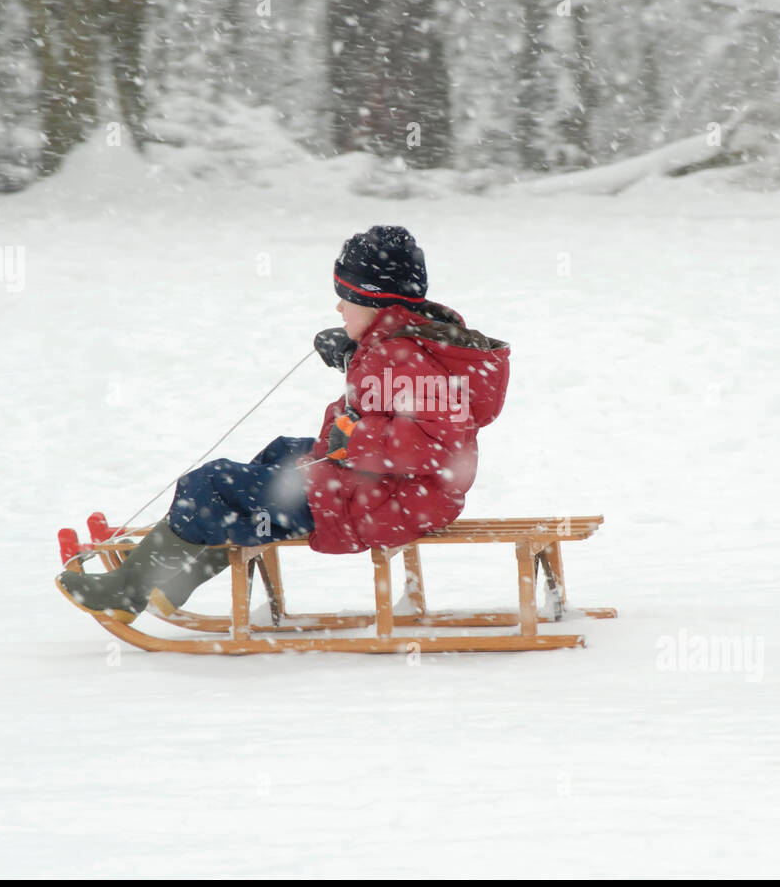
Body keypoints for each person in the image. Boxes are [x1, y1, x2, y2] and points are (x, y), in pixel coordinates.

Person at [56, 224, 511, 623]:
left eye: (345, 300)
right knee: (281, 452)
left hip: (389, 500)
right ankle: (177, 580)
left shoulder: (401, 356)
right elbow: (394, 412)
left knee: (210, 484)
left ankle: (128, 593)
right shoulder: (398, 342)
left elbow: (434, 448)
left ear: (373, 302)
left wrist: (352, 434)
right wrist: (356, 356)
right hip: (390, 489)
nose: (338, 311)